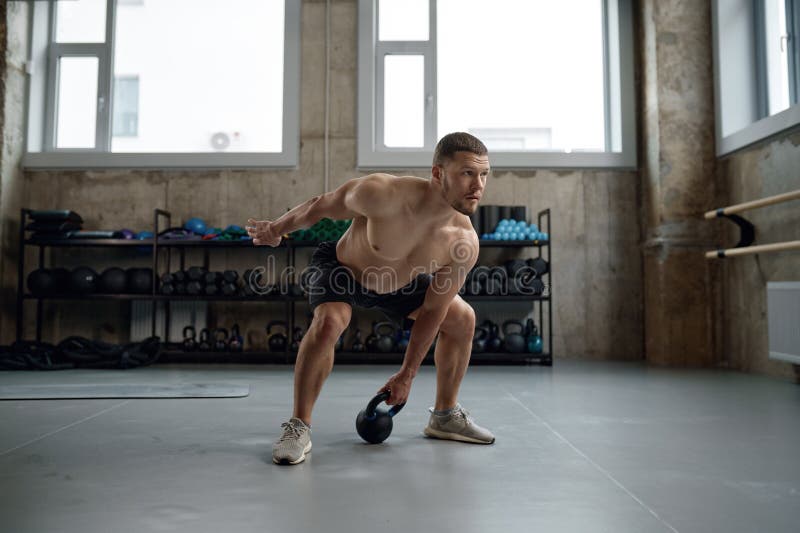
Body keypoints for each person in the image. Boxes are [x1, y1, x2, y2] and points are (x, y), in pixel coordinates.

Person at [246, 132, 495, 465]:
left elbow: (433, 311)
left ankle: (445, 415)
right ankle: (298, 425)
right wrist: (276, 229)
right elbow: (321, 205)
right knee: (330, 322)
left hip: (400, 283)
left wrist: (406, 374)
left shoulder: (463, 241)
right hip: (343, 270)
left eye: (484, 174)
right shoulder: (382, 193)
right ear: (438, 173)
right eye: (467, 173)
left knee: (462, 318)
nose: (477, 184)